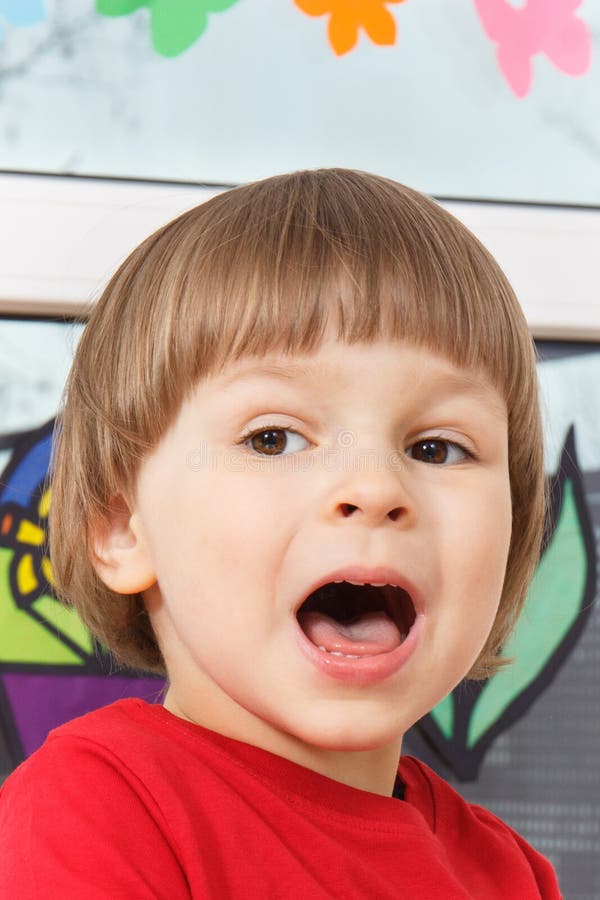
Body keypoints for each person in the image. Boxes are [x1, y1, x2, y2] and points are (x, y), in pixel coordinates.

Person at [0, 169, 561, 898]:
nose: (375, 489)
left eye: (435, 448)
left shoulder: (510, 875)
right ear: (120, 528)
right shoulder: (92, 813)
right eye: (273, 439)